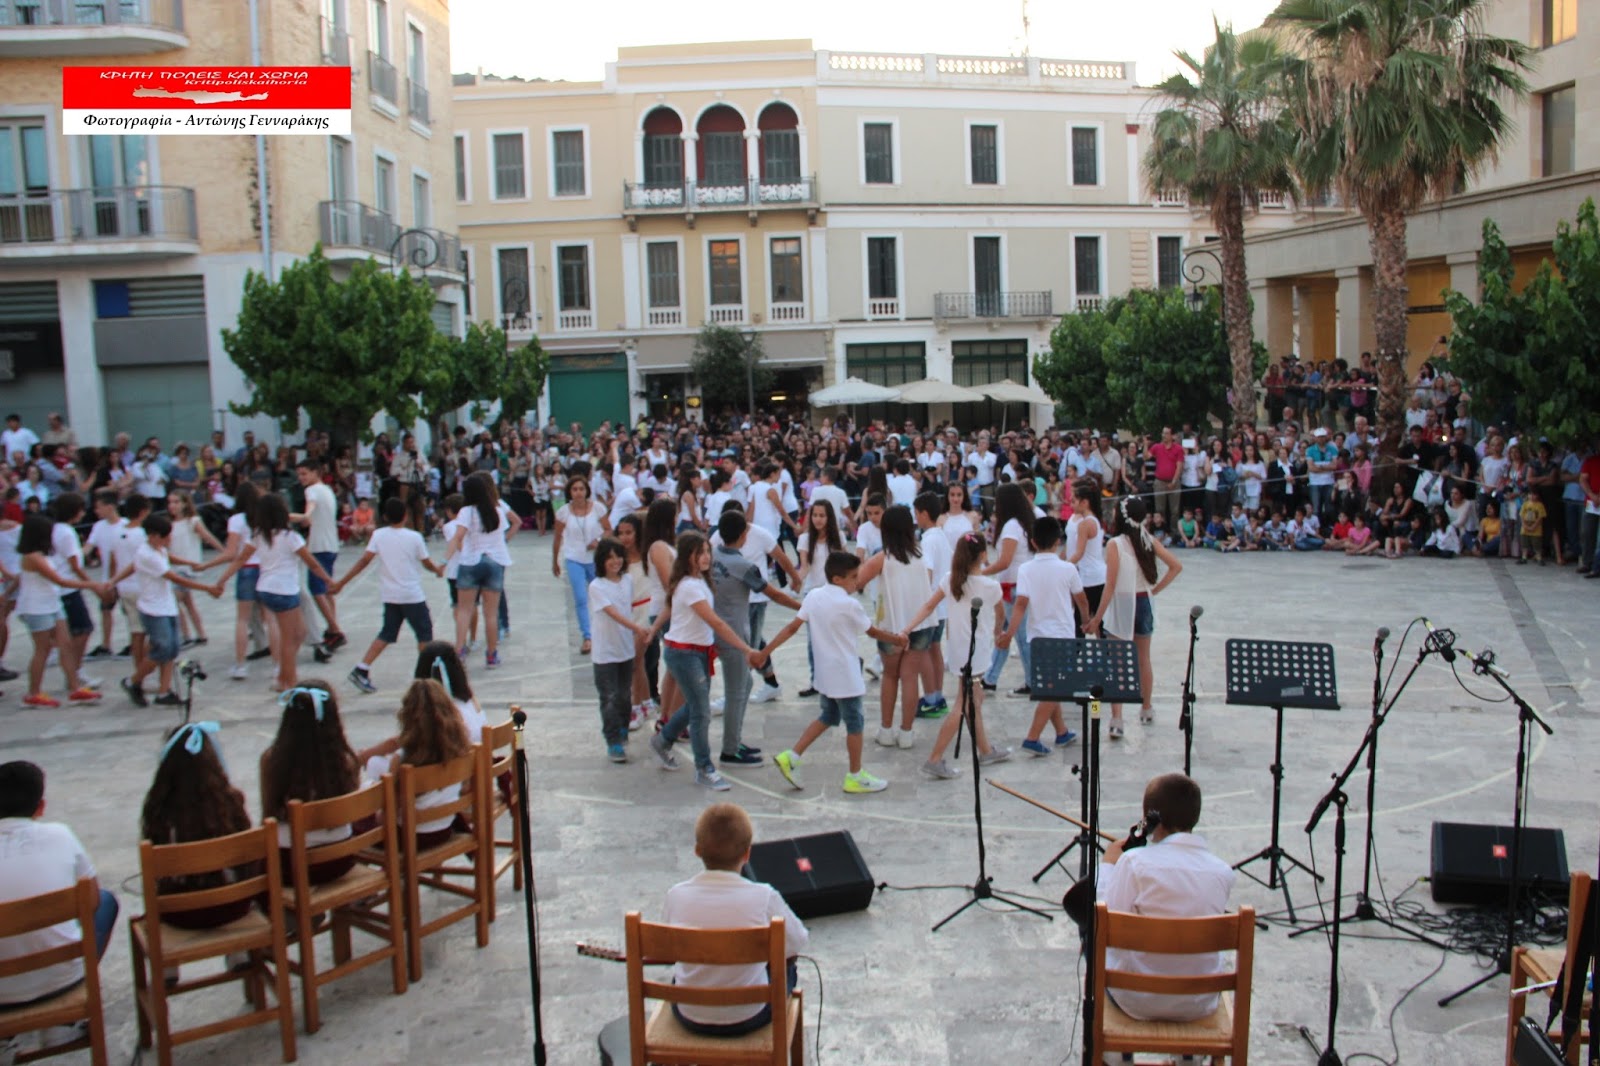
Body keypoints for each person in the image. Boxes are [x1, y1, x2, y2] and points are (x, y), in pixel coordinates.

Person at [761, 552, 907, 795]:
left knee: (828, 716)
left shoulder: (814, 596)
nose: (857, 582)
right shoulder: (849, 604)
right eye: (853, 578)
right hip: (845, 674)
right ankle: (855, 775)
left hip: (824, 673)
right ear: (838, 579)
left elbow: (791, 628)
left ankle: (792, 755)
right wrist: (898, 639)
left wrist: (765, 651)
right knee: (855, 722)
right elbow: (872, 632)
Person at [660, 803, 810, 1037]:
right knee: (787, 966)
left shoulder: (676, 895)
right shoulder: (764, 896)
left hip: (690, 1014)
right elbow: (797, 941)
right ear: (748, 854)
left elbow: (669, 952)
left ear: (697, 851)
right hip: (750, 1014)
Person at [1097, 773, 1236, 1023]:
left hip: (1137, 998)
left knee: (1090, 931)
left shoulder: (1133, 863)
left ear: (1151, 820)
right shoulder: (1222, 872)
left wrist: (1108, 866)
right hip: (1199, 1000)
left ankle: (1117, 1057)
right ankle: (1190, 1058)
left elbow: (1104, 922)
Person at [0, 761, 119, 1027]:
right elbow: (92, 901)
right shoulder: (61, 835)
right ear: (40, 807)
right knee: (106, 901)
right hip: (63, 979)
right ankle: (67, 1023)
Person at [646, 532, 764, 793]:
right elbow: (716, 622)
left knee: (694, 707)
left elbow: (669, 605)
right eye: (700, 553)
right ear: (688, 556)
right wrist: (746, 648)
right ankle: (704, 768)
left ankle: (663, 739)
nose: (706, 557)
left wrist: (654, 629)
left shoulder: (696, 581)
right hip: (685, 655)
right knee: (701, 712)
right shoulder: (689, 586)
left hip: (698, 653)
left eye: (707, 552)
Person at [899, 532, 1011, 779]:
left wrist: (908, 628)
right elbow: (1001, 616)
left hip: (958, 651)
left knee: (975, 699)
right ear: (983, 555)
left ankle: (985, 749)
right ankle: (935, 758)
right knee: (964, 703)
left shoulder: (950, 580)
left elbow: (929, 606)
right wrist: (998, 633)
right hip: (977, 653)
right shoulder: (990, 586)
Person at [141, 722, 256, 934]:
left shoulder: (157, 810)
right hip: (233, 906)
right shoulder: (230, 800)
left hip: (179, 914)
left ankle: (167, 967)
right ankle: (241, 959)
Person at [706, 511, 801, 768]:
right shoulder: (743, 566)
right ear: (744, 535)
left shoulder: (711, 557)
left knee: (743, 685)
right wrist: (802, 609)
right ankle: (729, 749)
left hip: (714, 629)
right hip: (734, 634)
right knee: (737, 691)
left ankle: (734, 740)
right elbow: (774, 594)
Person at [214, 493, 336, 693]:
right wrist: (329, 580)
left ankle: (283, 676)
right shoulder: (290, 538)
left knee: (299, 633)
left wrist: (221, 579)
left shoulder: (259, 536)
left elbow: (239, 560)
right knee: (290, 639)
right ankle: (289, 682)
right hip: (284, 591)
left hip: (268, 589)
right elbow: (312, 563)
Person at [1086, 497, 1183, 737]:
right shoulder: (1148, 539)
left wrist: (1097, 617)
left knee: (1117, 664)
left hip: (1123, 603)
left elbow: (1109, 586)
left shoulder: (1116, 544)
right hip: (1144, 601)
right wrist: (1155, 590)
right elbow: (1175, 565)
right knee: (1143, 659)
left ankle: (1117, 718)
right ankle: (1146, 707)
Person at [1000, 517, 1093, 756]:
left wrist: (1009, 632)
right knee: (1056, 689)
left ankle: (1061, 732)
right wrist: (1086, 621)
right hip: (1062, 636)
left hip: (1037, 638)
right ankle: (1032, 737)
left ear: (1032, 542)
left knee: (1052, 684)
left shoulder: (1026, 569)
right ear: (1058, 541)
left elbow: (1020, 604)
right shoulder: (1068, 568)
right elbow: (1081, 599)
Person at [337, 497, 446, 693]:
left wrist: (342, 582)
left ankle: (362, 668)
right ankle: (424, 677)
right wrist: (437, 570)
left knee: (387, 633)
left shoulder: (378, 535)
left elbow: (364, 561)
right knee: (424, 634)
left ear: (385, 516)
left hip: (391, 595)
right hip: (412, 595)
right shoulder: (414, 537)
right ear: (406, 515)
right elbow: (426, 562)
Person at [259, 683, 364, 885]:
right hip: (341, 859)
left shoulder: (272, 761)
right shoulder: (346, 761)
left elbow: (268, 815)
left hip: (291, 867)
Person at [114, 514, 222, 707]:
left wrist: (188, 563)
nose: (168, 541)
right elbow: (174, 577)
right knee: (162, 649)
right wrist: (207, 588)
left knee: (171, 650)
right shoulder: (146, 554)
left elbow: (167, 557)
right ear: (154, 536)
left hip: (166, 607)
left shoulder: (156, 550)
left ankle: (164, 691)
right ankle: (133, 681)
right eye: (165, 537)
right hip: (153, 610)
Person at [854, 504, 936, 749]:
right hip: (920, 625)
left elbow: (857, 581)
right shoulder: (922, 554)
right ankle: (907, 733)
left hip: (890, 626)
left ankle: (886, 730)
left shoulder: (882, 558)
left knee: (890, 676)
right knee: (910, 677)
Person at [357, 679, 472, 848]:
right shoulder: (461, 750)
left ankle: (383, 872)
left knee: (355, 827)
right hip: (444, 829)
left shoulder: (403, 759)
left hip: (410, 839)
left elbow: (388, 818)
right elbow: (464, 789)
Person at [15, 515, 107, 707]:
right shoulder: (32, 557)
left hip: (52, 602)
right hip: (36, 606)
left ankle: (74, 688)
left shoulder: (43, 554)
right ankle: (34, 692)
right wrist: (92, 584)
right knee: (43, 649)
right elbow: (59, 580)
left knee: (65, 644)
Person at [588, 537, 652, 762]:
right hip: (605, 653)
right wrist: (638, 628)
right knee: (609, 697)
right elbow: (613, 613)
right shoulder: (597, 586)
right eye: (609, 558)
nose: (615, 561)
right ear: (601, 561)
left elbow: (630, 607)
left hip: (625, 649)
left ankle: (622, 727)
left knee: (625, 696)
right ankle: (612, 740)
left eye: (618, 556)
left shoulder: (627, 581)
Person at [445, 472, 516, 671]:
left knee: (464, 610)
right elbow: (503, 534)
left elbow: (458, 536)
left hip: (470, 561)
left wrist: (445, 559)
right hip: (495, 562)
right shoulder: (497, 511)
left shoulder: (466, 512)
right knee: (491, 613)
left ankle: (459, 652)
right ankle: (491, 655)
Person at [981, 483, 1036, 695]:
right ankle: (991, 678)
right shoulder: (1021, 523)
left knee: (1020, 635)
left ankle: (1032, 681)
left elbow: (1005, 561)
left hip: (1014, 588)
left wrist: (981, 574)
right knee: (1003, 632)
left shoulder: (1012, 526)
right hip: (1012, 586)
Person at [552, 474, 608, 655]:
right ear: (569, 491)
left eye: (581, 489)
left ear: (587, 490)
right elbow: (558, 537)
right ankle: (587, 636)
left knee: (601, 595)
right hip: (574, 557)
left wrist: (598, 541)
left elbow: (609, 529)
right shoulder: (563, 512)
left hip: (595, 558)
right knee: (581, 598)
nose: (578, 493)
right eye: (574, 489)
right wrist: (554, 560)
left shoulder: (598, 508)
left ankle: (604, 631)